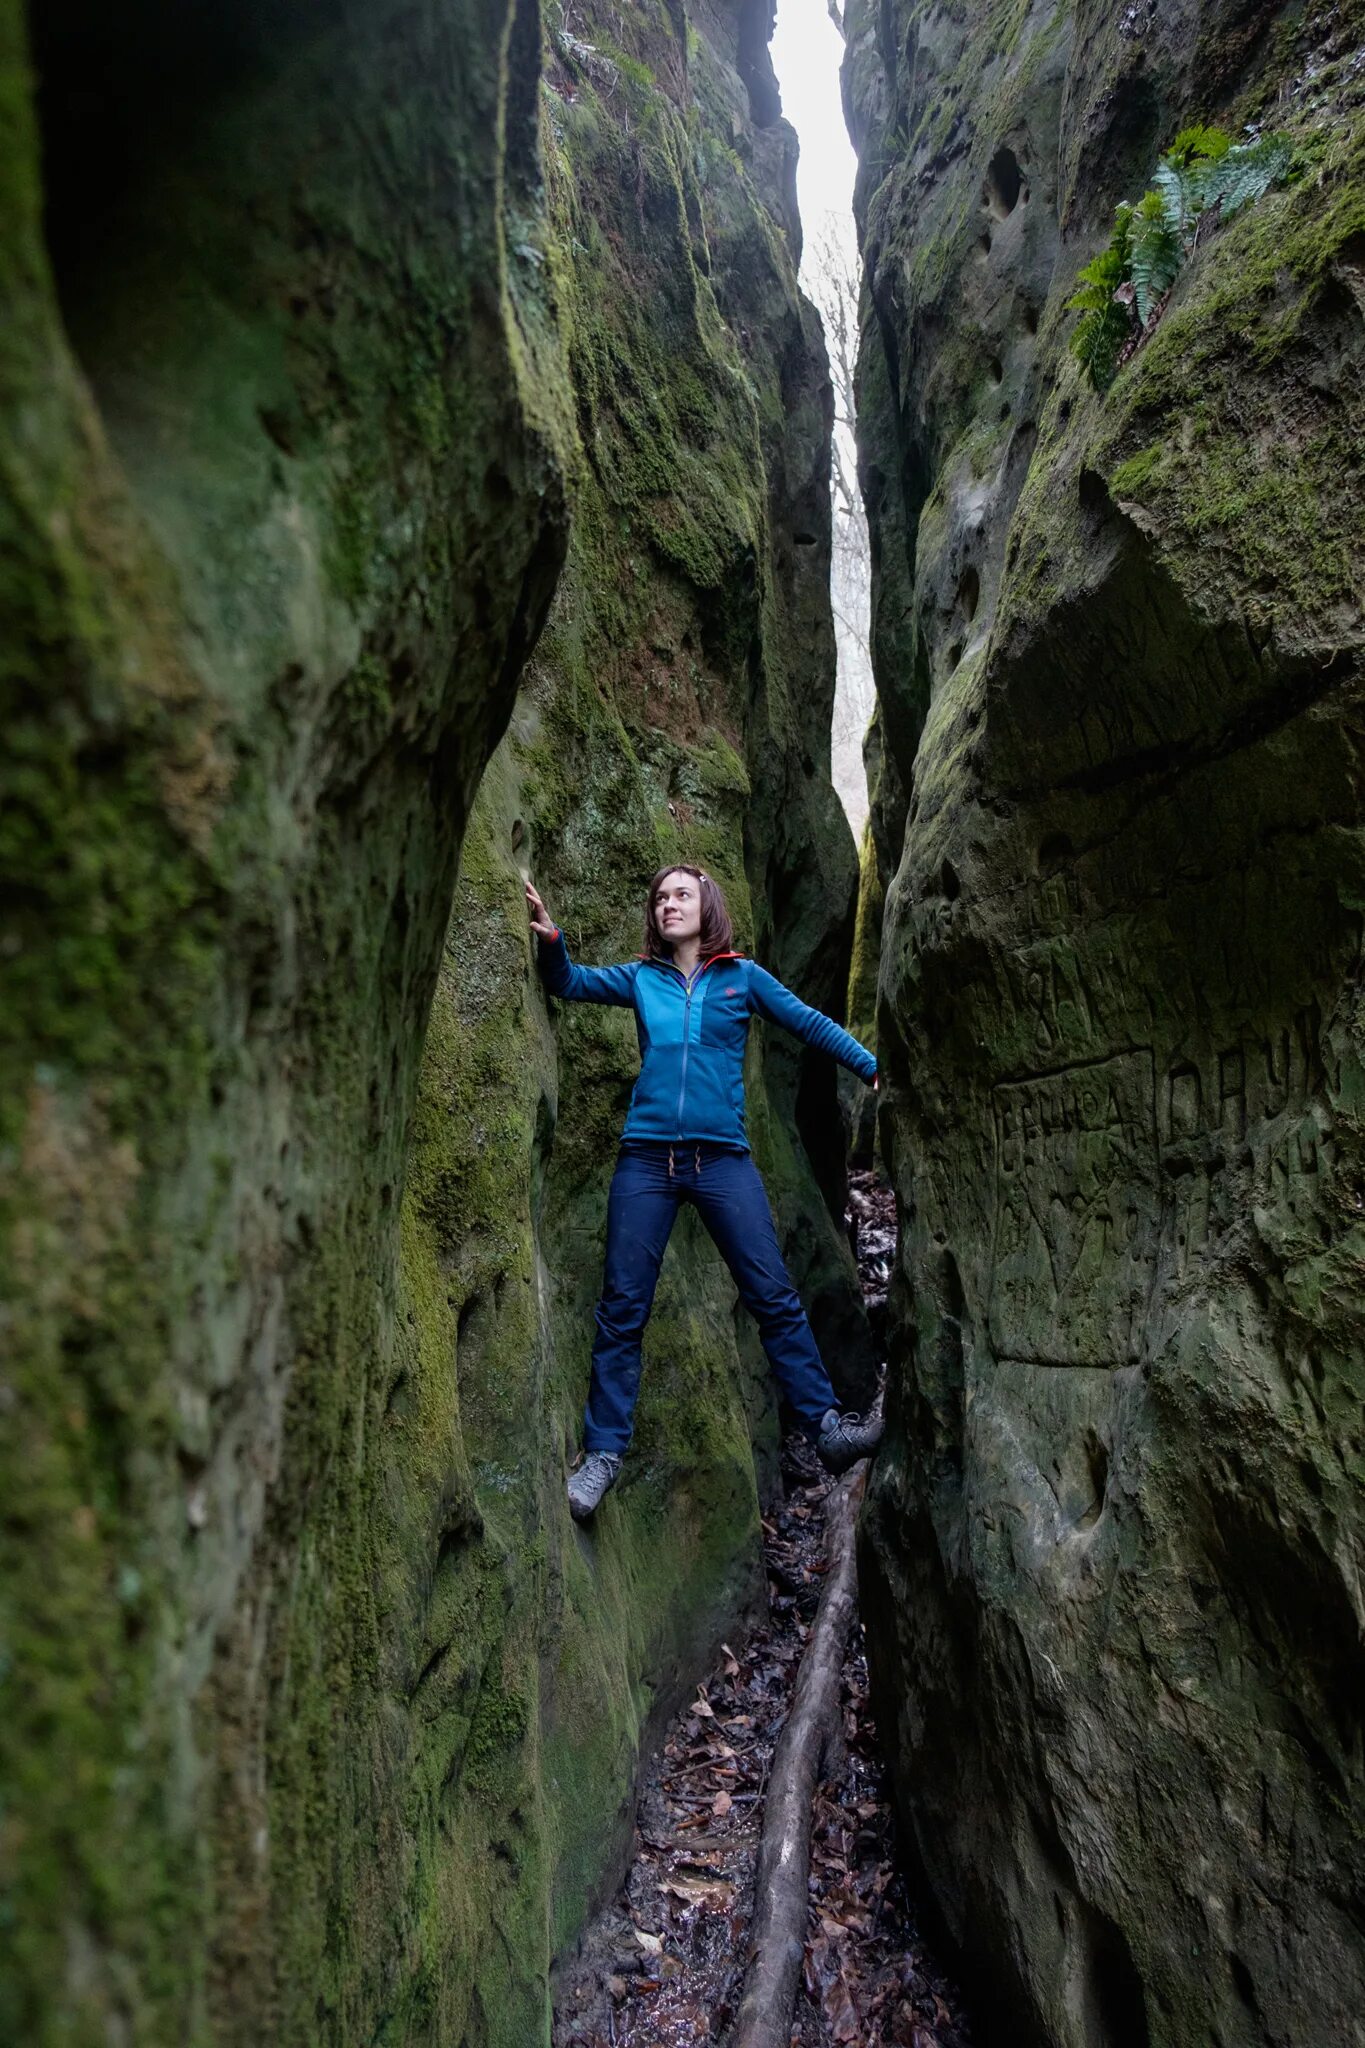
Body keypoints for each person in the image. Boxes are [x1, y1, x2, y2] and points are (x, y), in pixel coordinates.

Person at [526, 863, 885, 1523]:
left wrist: (871, 1067)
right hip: (645, 1162)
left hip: (722, 1162)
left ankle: (828, 1431)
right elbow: (568, 984)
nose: (668, 905)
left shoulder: (740, 977)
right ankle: (602, 1456)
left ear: (706, 905)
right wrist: (552, 940)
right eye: (660, 898)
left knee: (772, 1296)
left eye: (681, 895)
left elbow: (807, 1023)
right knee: (622, 1308)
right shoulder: (640, 979)